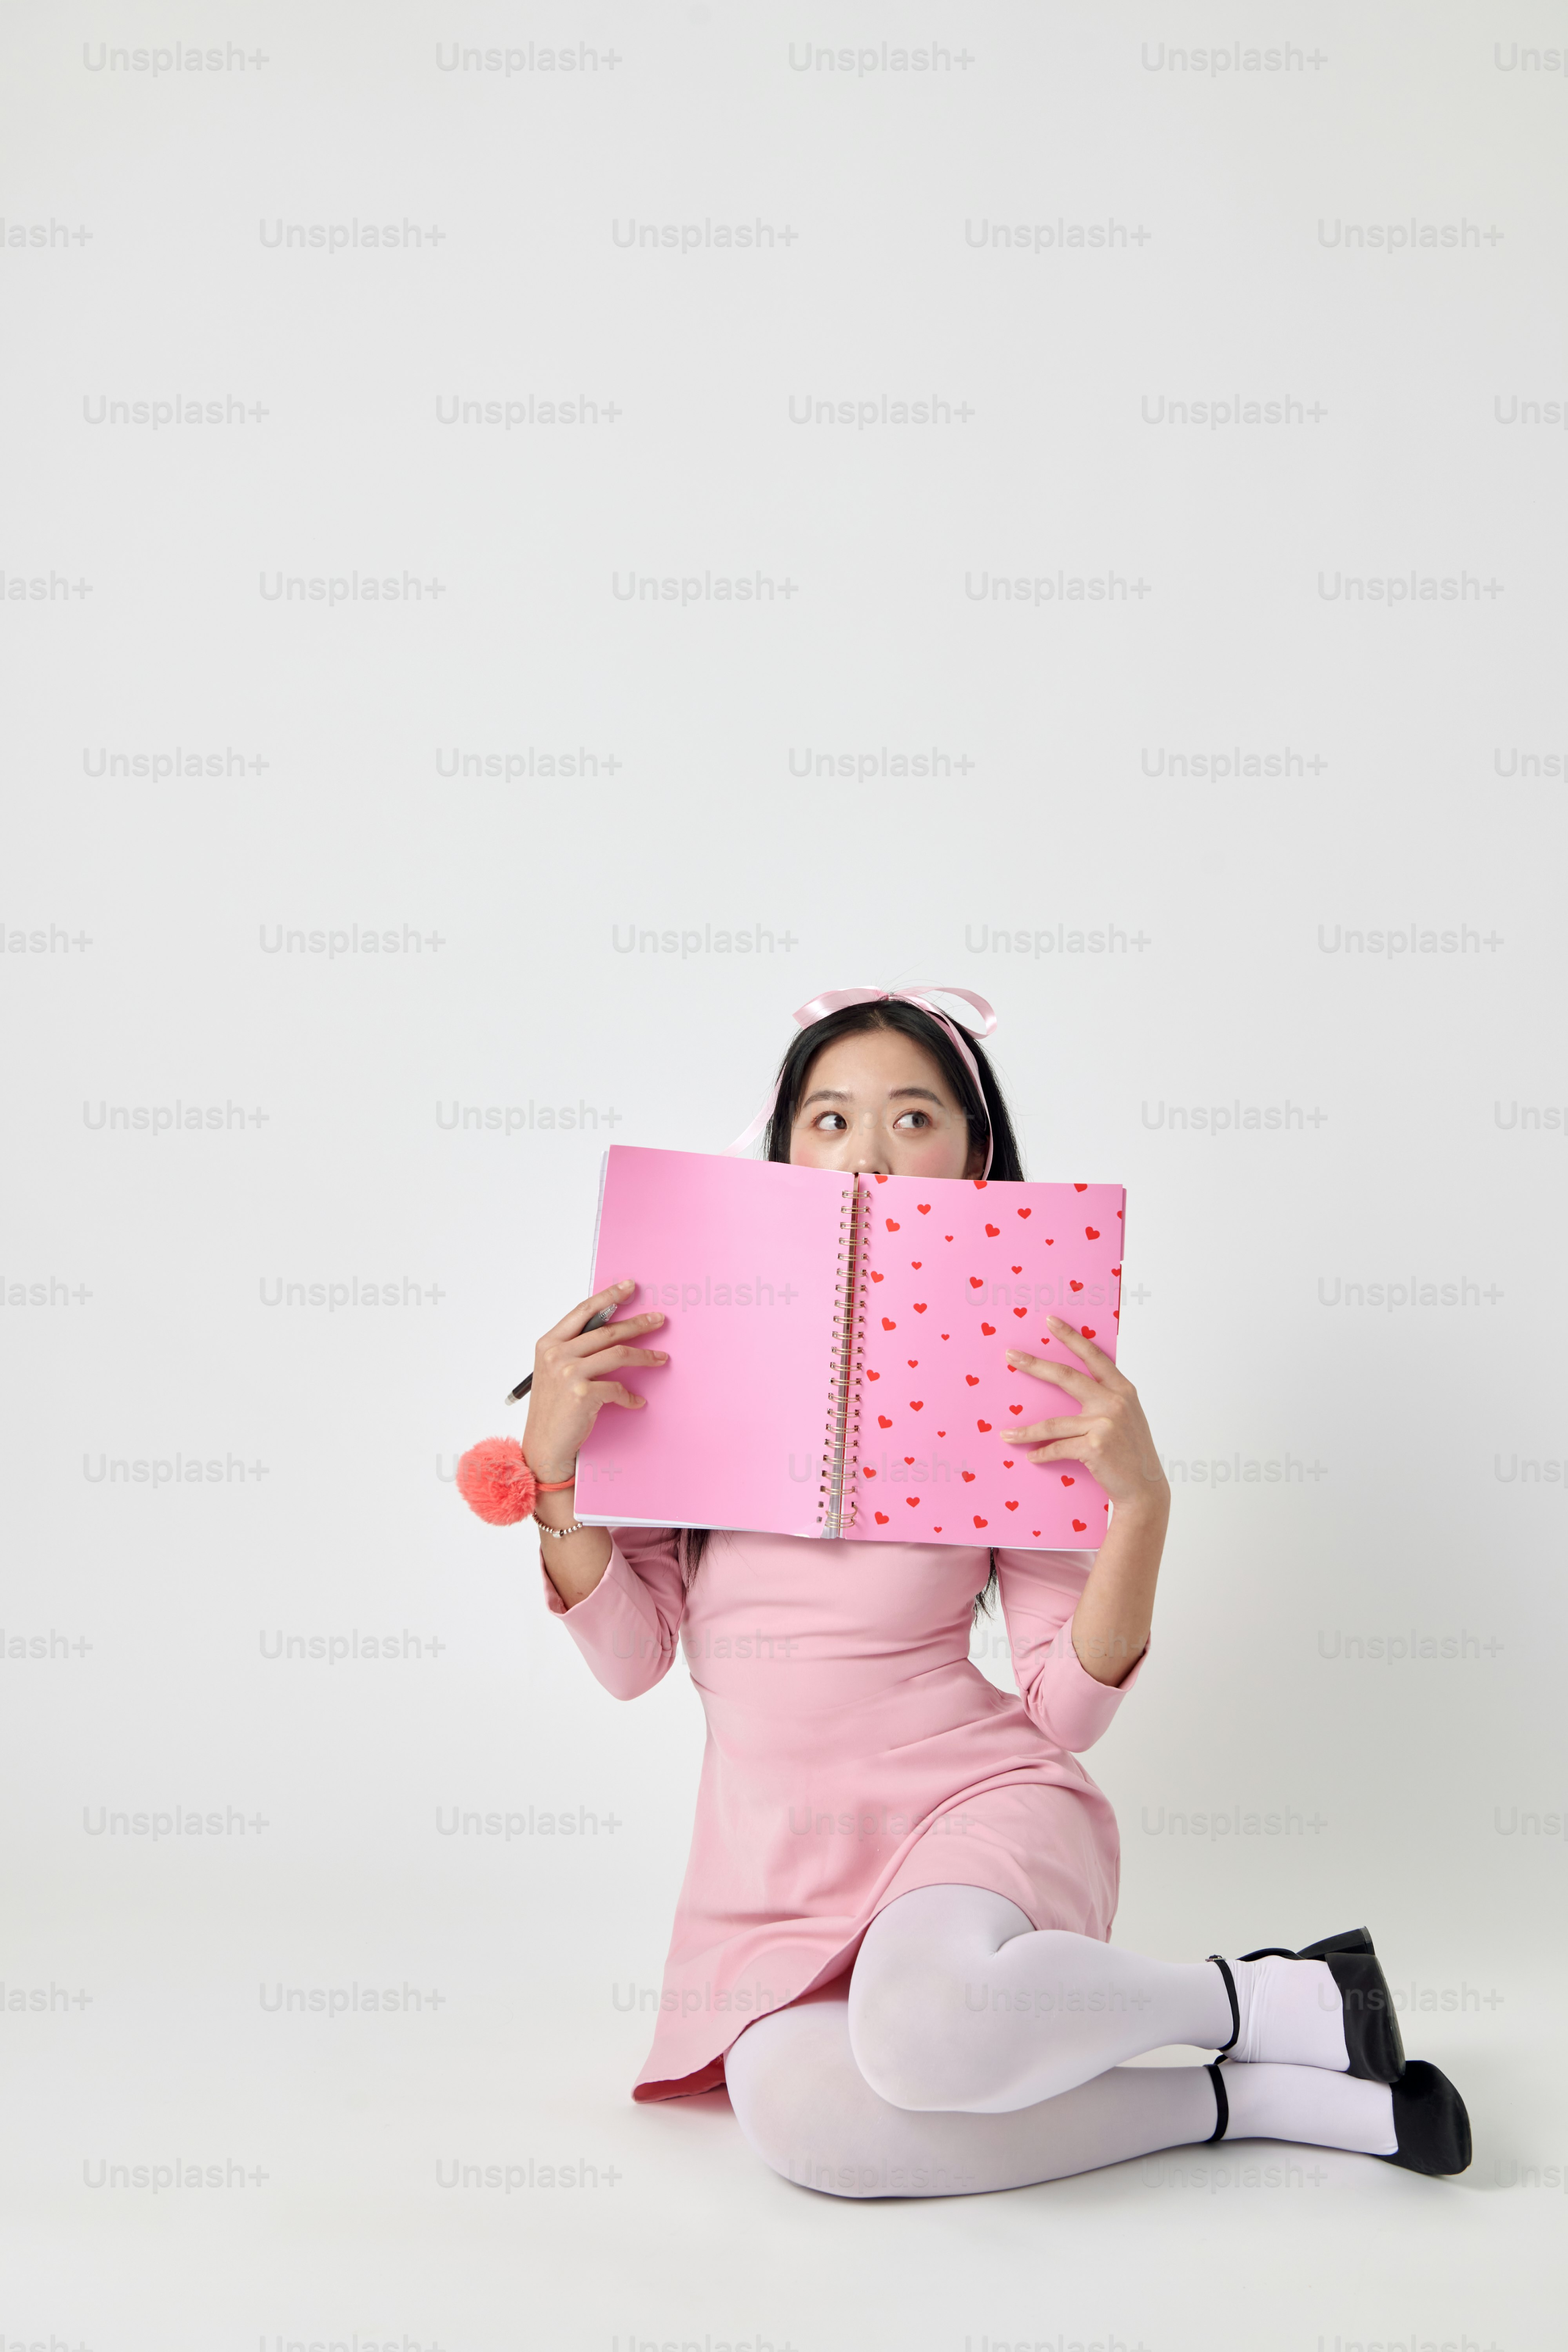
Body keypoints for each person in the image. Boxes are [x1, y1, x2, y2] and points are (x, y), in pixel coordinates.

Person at [521, 988, 1470, 2195]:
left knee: (929, 2030)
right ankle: (1267, 2087)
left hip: (972, 1808)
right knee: (810, 2128)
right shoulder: (681, 1353)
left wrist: (1141, 1507)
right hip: (770, 1872)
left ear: (976, 1157)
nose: (866, 1153)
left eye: (913, 1118)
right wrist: (554, 1469)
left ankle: (1247, 1998)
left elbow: (1064, 1712)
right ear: (784, 1147)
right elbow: (629, 1660)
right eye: (830, 1119)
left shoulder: (1014, 1368)